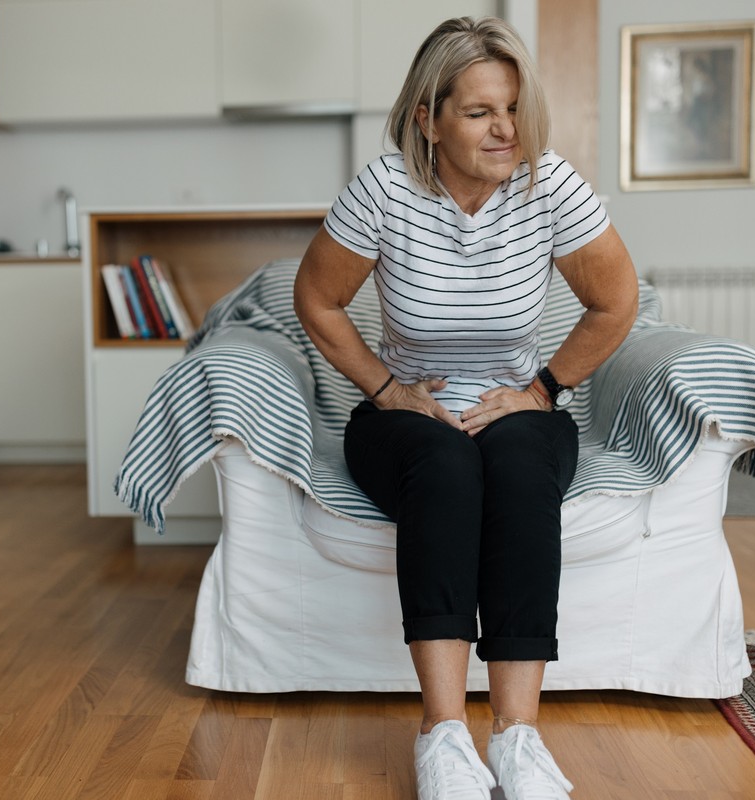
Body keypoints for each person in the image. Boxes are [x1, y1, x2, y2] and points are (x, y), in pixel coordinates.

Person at [293, 16, 638, 800]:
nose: (505, 128)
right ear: (429, 118)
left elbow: (616, 301)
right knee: (447, 466)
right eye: (480, 111)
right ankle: (443, 736)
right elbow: (316, 298)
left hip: (514, 409)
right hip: (408, 419)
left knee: (519, 466)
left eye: (512, 107)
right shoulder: (386, 189)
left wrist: (542, 391)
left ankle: (517, 739)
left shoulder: (549, 186)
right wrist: (388, 390)